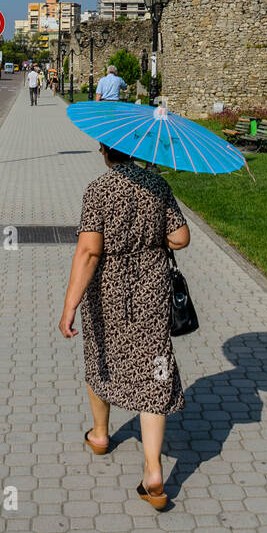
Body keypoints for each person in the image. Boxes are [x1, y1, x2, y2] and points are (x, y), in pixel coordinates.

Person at [59, 143, 191, 510]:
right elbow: (180, 237)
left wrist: (69, 306)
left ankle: (100, 435)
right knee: (155, 370)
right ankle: (153, 473)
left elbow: (88, 251)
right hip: (152, 289)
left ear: (104, 149)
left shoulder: (99, 189)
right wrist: (152, 239)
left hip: (109, 291)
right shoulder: (157, 185)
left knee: (103, 353)